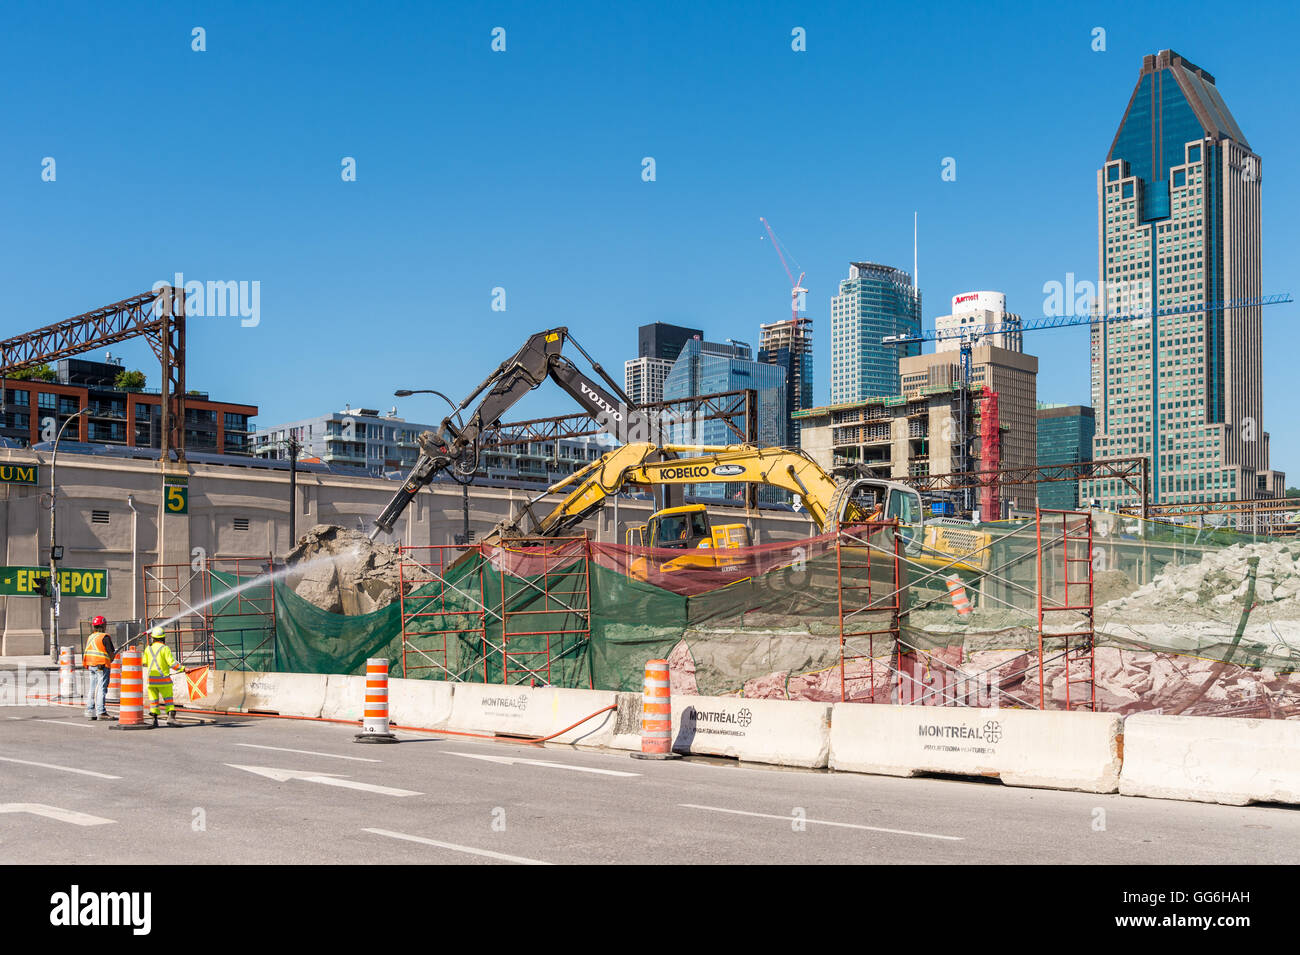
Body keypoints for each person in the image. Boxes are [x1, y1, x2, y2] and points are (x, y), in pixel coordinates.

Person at [142, 626, 183, 727]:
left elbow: (144, 662)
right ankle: (171, 718)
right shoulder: (165, 648)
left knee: (153, 700)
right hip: (163, 680)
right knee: (168, 699)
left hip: (151, 681)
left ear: (153, 638)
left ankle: (154, 720)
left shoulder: (148, 648)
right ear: (163, 638)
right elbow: (172, 663)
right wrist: (183, 668)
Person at [83, 616, 116, 721]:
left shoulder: (91, 637)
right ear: (103, 625)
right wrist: (112, 658)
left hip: (91, 664)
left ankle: (90, 711)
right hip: (101, 665)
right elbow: (111, 653)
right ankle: (101, 712)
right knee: (102, 688)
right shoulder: (105, 637)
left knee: (92, 688)